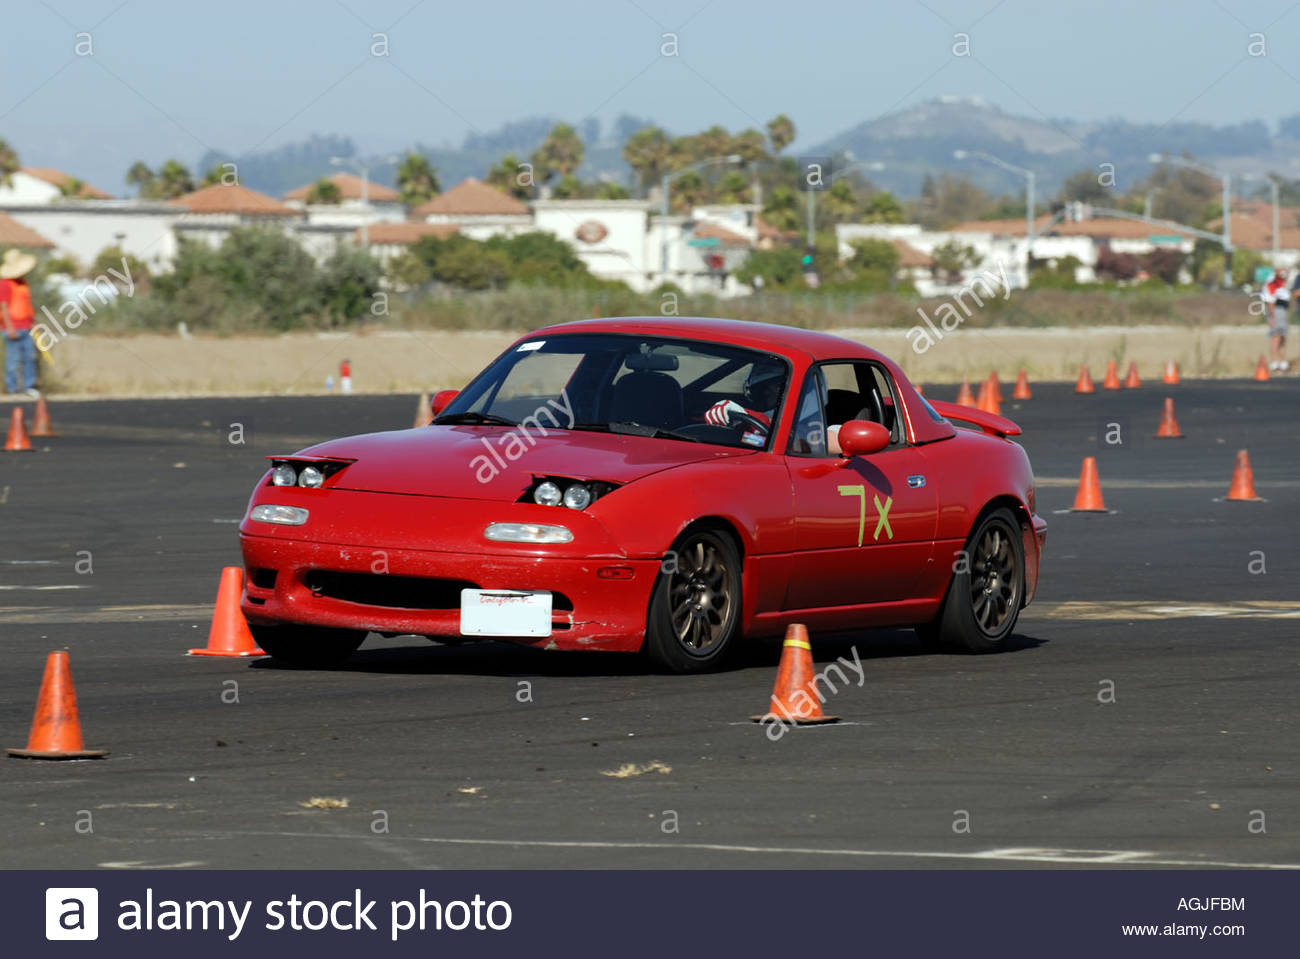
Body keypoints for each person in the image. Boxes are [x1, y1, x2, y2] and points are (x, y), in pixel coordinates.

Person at [703, 361, 784, 439]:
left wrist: (749, 417)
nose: (767, 393)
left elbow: (772, 439)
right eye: (760, 388)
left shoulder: (793, 419)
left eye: (776, 385)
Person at [0, 248, 40, 397]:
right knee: (13, 359)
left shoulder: (23, 283)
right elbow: (3, 307)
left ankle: (28, 386)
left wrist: (33, 322)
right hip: (12, 328)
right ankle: (12, 388)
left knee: (30, 357)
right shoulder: (5, 284)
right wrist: (9, 327)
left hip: (26, 327)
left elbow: (26, 305)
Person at [1265, 269, 1289, 372]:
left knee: (1282, 337)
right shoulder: (1272, 284)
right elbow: (1270, 301)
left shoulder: (1282, 284)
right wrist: (1271, 316)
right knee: (1275, 337)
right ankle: (1274, 362)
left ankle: (1282, 362)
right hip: (1276, 312)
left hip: (1282, 311)